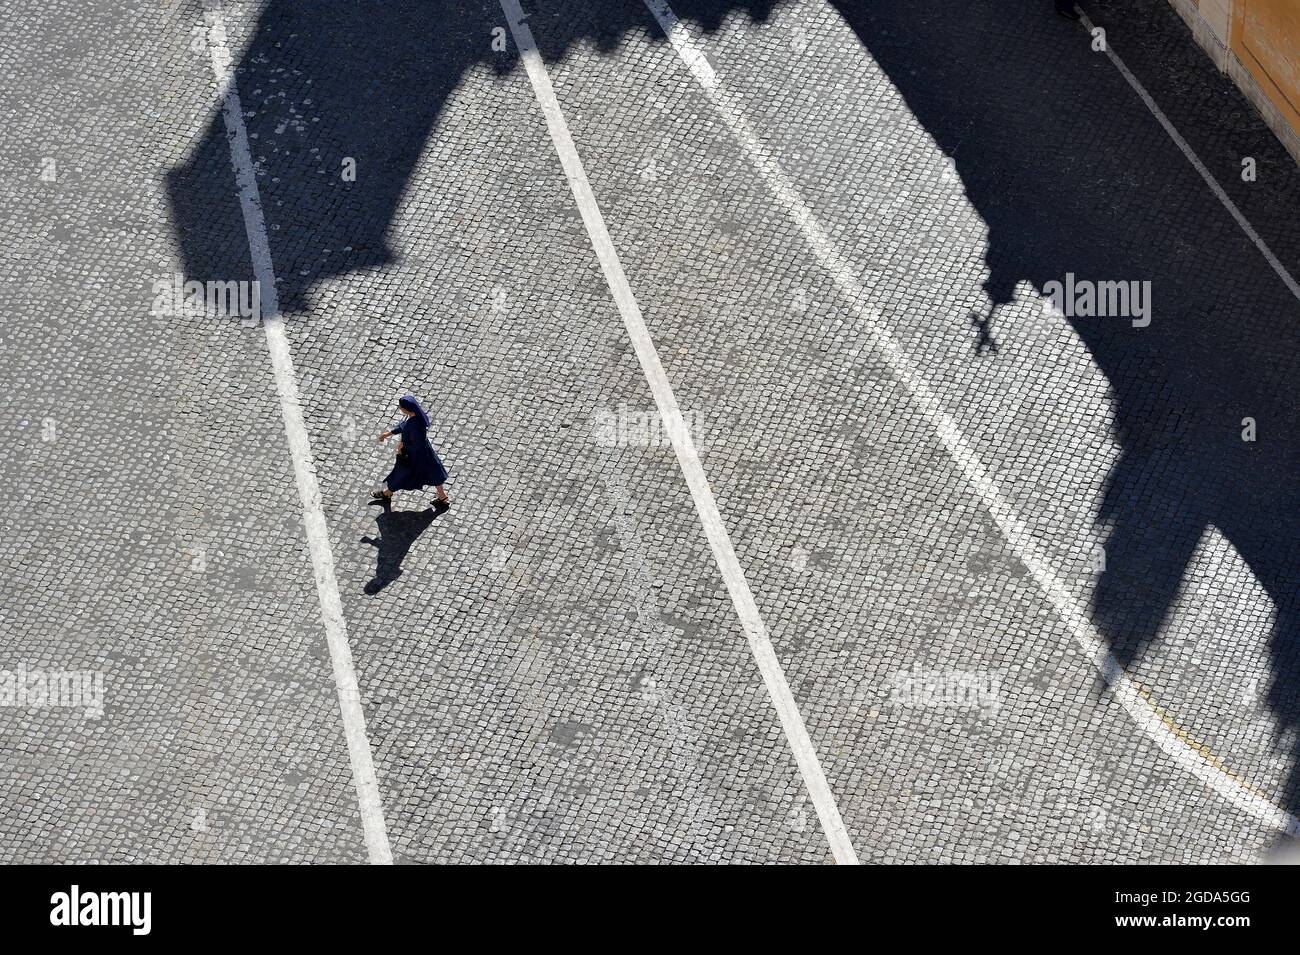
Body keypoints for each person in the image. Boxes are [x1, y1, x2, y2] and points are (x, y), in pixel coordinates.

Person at [370, 395, 449, 509]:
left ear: (406, 409)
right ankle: (442, 497)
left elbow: (417, 443)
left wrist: (402, 447)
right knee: (433, 471)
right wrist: (389, 433)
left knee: (403, 474)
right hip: (426, 452)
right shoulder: (417, 416)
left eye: (400, 407)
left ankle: (387, 493)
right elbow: (404, 426)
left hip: (415, 455)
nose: (400, 408)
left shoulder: (413, 425)